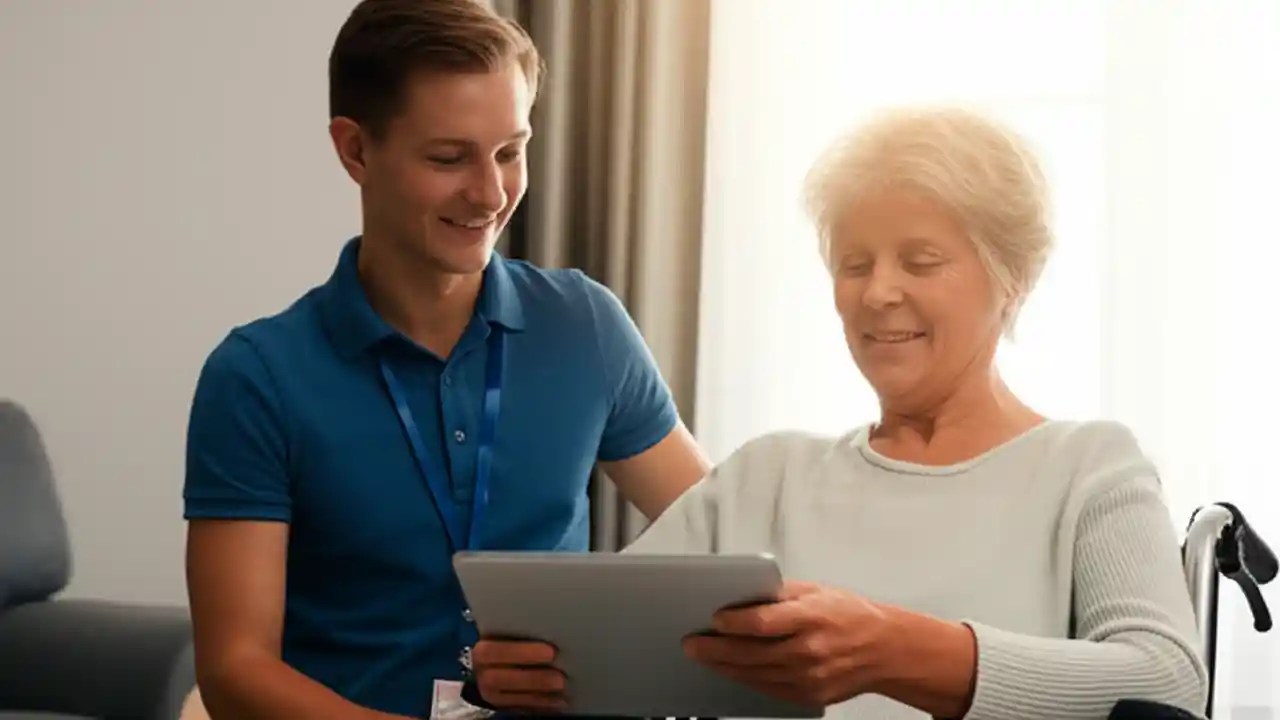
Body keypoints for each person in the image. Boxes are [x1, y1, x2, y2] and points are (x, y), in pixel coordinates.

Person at [472, 107, 1210, 719]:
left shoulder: (1088, 467)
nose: (877, 292)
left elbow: (1166, 683)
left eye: (920, 261)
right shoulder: (769, 474)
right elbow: (596, 647)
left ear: (1011, 278)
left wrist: (894, 650)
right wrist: (529, 673)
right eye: (855, 264)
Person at [181, 1, 710, 719]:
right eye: (448, 157)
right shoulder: (256, 376)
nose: (491, 194)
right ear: (355, 151)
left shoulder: (584, 324)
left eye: (510, 151)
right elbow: (235, 671)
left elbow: (716, 543)